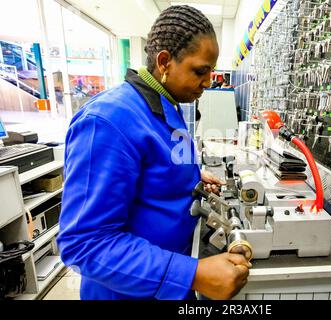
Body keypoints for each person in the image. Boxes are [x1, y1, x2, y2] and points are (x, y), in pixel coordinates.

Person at [57, 5, 251, 300]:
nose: (209, 82)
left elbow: (147, 167)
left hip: (170, 283)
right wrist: (192, 275)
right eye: (200, 71)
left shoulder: (166, 108)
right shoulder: (108, 120)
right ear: (164, 62)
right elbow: (86, 243)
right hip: (129, 292)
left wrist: (188, 177)